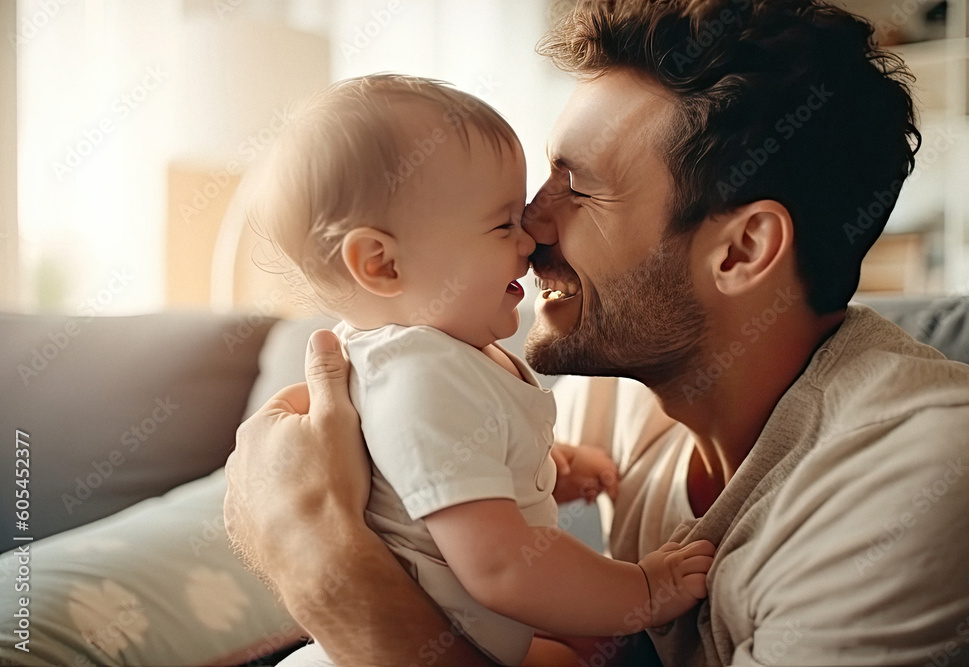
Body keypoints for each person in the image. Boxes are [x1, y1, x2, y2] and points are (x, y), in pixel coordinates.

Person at [225, 0, 969, 665]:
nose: (531, 222)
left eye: (578, 188)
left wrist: (323, 567)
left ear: (741, 251)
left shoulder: (925, 475)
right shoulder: (629, 399)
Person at [237, 74, 714, 666]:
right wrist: (641, 590)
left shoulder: (435, 358)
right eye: (502, 223)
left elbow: (434, 481)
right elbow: (500, 564)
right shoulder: (421, 374)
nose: (531, 239)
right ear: (382, 264)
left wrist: (542, 468)